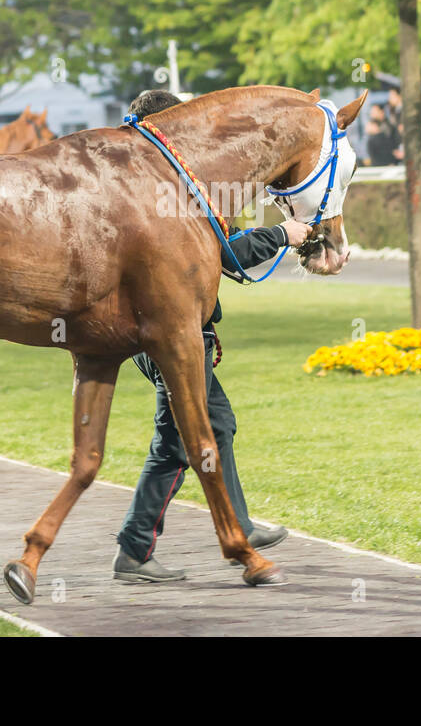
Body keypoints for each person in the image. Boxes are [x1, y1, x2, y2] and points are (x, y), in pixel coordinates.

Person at [113, 90, 310, 584]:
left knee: (210, 425)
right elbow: (228, 254)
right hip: (171, 335)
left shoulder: (154, 186)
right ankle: (137, 551)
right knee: (181, 440)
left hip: (161, 334)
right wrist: (284, 235)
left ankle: (236, 527)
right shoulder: (168, 189)